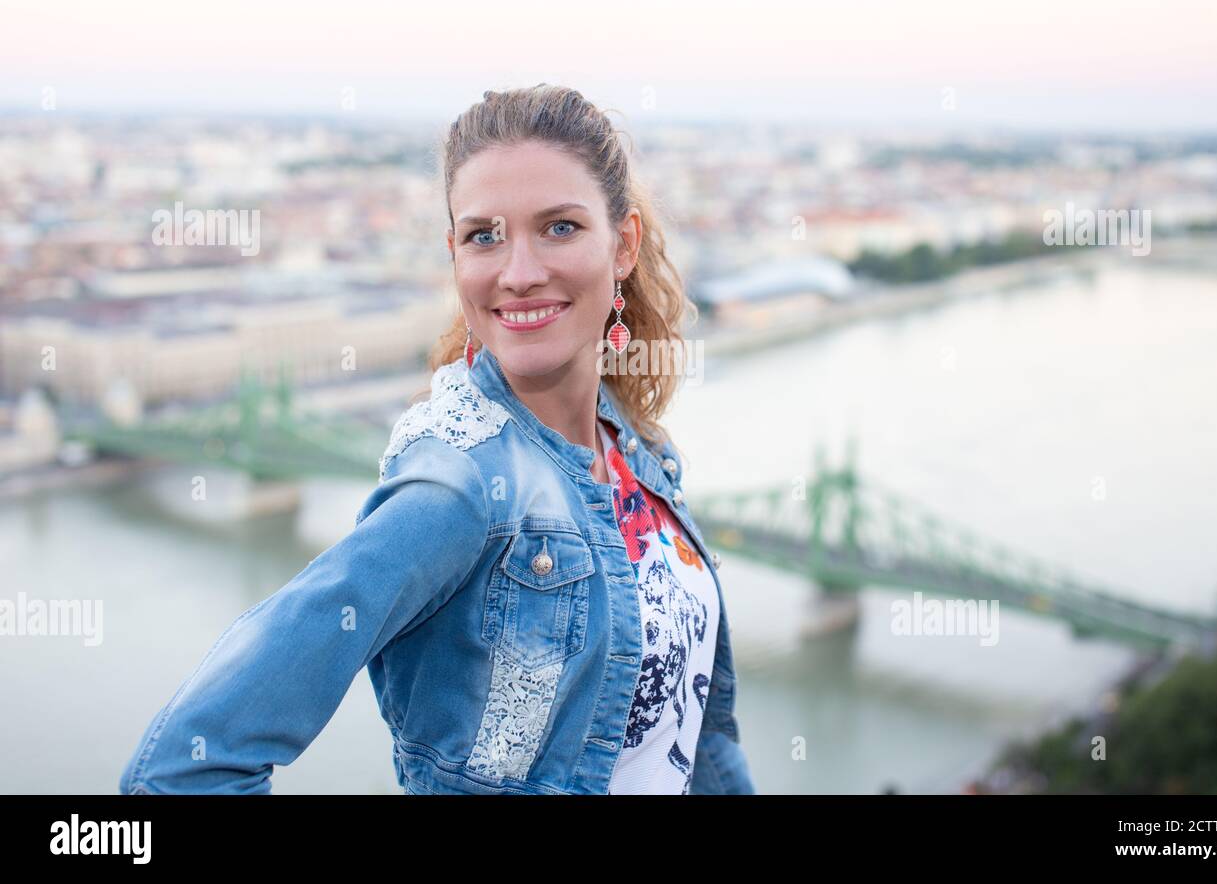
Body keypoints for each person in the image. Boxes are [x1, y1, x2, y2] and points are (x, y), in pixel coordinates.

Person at [118, 84, 756, 795]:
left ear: (624, 245)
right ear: (455, 254)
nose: (518, 273)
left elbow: (696, 738)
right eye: (485, 235)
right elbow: (186, 766)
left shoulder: (635, 450)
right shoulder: (456, 487)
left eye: (560, 228)